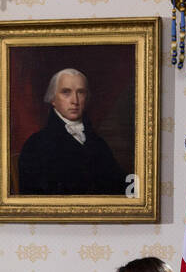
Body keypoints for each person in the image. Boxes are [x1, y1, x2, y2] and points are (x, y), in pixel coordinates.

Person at [18, 68, 127, 196]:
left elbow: (119, 184)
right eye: (66, 92)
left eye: (80, 92)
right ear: (53, 99)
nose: (75, 101)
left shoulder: (98, 142)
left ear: (86, 98)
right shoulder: (36, 144)